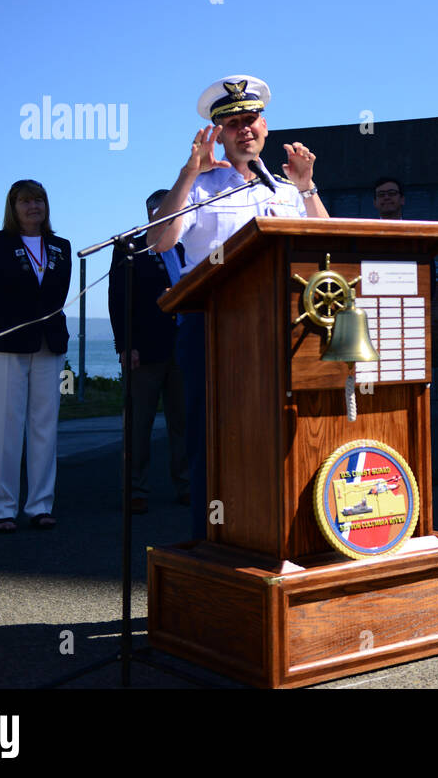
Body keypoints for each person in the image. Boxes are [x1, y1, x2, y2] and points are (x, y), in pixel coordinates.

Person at [147, 75, 329, 539]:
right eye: (231, 124)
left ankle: (276, 536)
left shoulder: (287, 192)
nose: (243, 129)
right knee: (214, 441)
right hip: (212, 329)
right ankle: (213, 545)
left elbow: (328, 246)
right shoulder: (203, 187)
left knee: (278, 435)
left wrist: (307, 187)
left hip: (281, 330)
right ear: (219, 135)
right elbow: (160, 240)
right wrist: (190, 172)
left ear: (264, 126)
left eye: (250, 120)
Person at [0, 179, 71, 533]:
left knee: (44, 427)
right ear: (13, 207)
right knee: (4, 429)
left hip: (48, 344)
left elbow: (56, 296)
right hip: (3, 346)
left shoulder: (60, 246)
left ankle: (40, 505)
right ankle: (2, 508)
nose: (33, 206)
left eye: (39, 200)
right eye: (25, 201)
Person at [108, 190, 189, 514]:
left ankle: (185, 485)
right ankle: (135, 489)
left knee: (182, 422)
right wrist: (126, 345)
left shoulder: (187, 248)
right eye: (163, 210)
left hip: (183, 348)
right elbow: (118, 298)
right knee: (138, 425)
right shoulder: (130, 248)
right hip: (144, 350)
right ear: (151, 214)